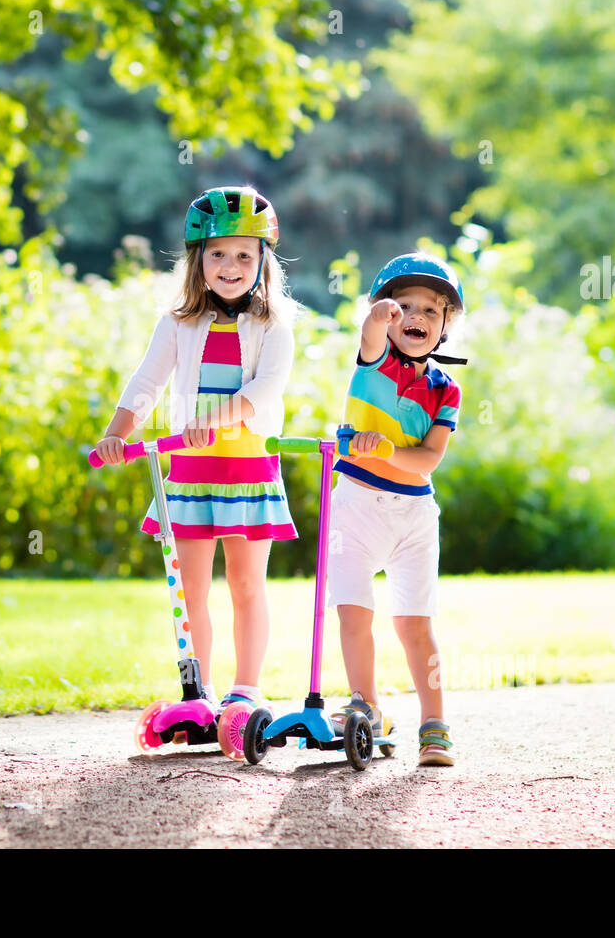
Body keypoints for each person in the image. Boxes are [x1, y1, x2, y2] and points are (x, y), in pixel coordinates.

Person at [93, 186, 298, 713]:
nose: (230, 265)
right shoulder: (178, 324)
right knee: (190, 590)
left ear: (262, 262)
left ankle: (246, 688)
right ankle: (198, 693)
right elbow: (146, 383)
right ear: (197, 259)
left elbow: (264, 390)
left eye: (244, 255)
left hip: (248, 467)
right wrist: (118, 432)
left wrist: (215, 417)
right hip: (188, 471)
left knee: (246, 583)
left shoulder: (274, 326)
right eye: (217, 253)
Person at [327, 252, 468, 766]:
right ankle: (365, 706)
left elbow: (429, 460)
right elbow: (368, 333)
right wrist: (377, 315)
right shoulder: (374, 358)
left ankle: (434, 725)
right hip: (356, 506)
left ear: (445, 326)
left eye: (431, 311)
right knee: (353, 613)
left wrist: (387, 450)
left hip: (412, 515)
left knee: (415, 623)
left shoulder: (445, 389)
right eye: (402, 306)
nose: (415, 317)